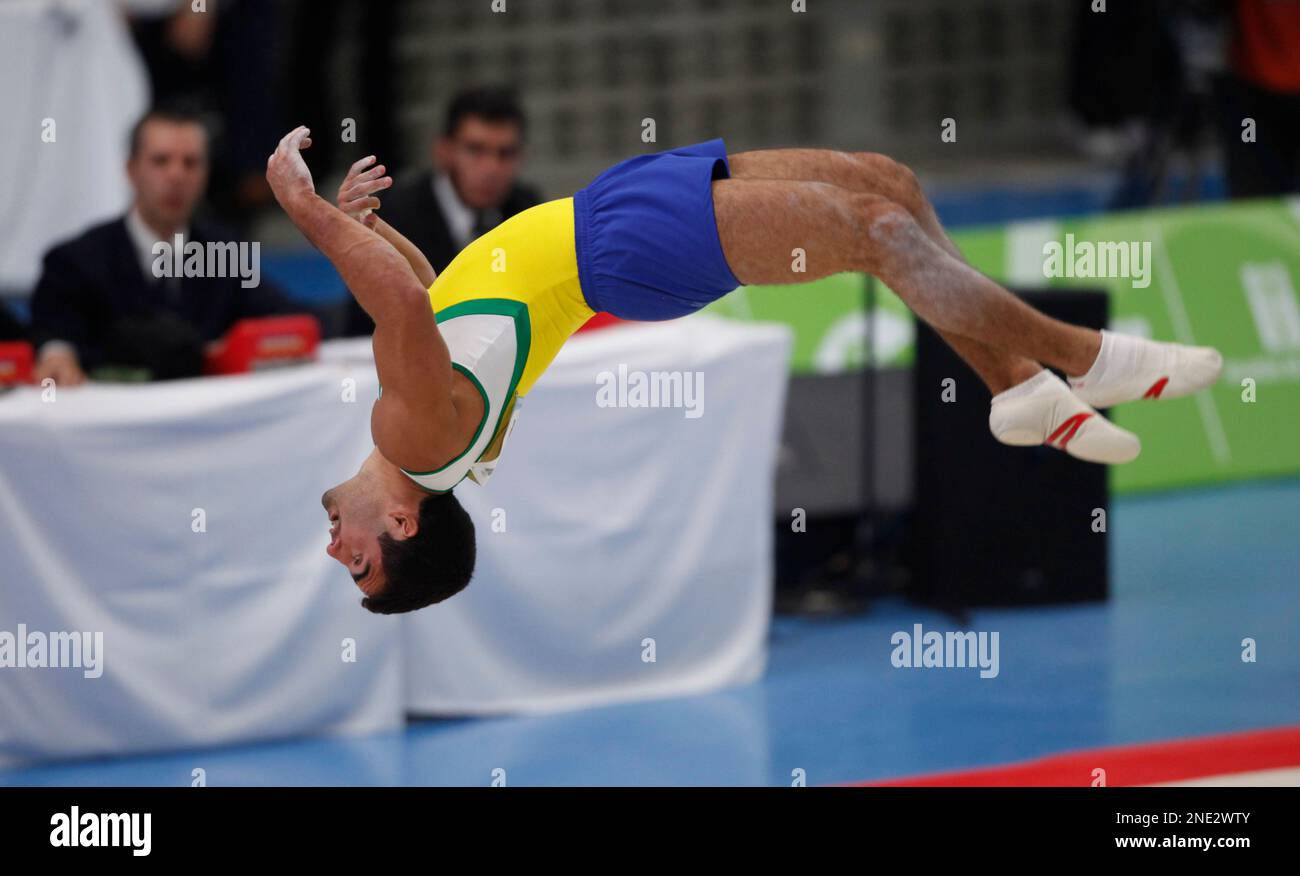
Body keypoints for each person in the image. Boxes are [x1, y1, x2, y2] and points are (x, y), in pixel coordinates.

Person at [265, 126, 1223, 614]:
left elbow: (433, 300)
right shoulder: (413, 439)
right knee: (876, 232)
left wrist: (362, 226)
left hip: (607, 217)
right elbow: (396, 307)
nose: (333, 551)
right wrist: (302, 209)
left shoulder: (428, 433)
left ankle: (1014, 390)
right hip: (624, 251)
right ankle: (1081, 355)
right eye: (360, 566)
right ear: (401, 525)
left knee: (885, 182)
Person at [29, 107, 299, 385]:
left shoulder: (224, 254)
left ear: (206, 173)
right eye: (160, 161)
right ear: (131, 170)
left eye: (190, 163)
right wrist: (58, 355)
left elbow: (286, 318)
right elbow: (53, 334)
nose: (176, 176)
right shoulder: (77, 260)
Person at [341, 86, 541, 337]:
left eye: (505, 153)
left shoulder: (527, 210)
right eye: (475, 150)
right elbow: (366, 323)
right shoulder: (396, 213)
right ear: (444, 151)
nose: (491, 167)